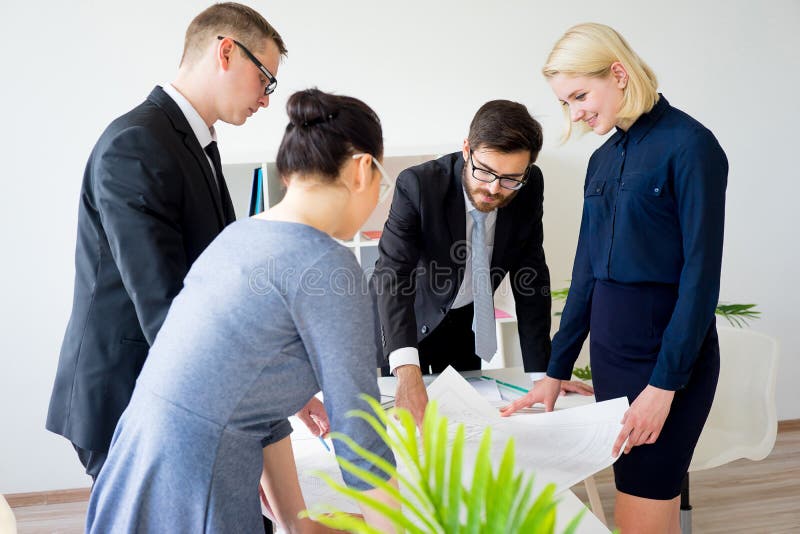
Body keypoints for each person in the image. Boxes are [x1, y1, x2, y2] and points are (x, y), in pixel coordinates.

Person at [85, 88, 400, 533]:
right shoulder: (328, 264)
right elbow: (359, 433)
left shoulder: (240, 237)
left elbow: (247, 401)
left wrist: (297, 522)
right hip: (198, 483)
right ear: (364, 170)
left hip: (137, 462)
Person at [46, 3, 289, 480]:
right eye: (265, 80)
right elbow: (163, 305)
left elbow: (216, 279)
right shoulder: (136, 144)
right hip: (126, 395)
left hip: (164, 386)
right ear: (225, 52)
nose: (266, 100)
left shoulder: (192, 141)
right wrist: (249, 405)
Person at [501, 23, 728, 533]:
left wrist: (662, 387)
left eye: (580, 94)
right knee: (646, 511)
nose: (575, 111)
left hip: (664, 367)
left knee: (640, 514)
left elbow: (700, 279)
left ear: (619, 74)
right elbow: (585, 275)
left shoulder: (691, 147)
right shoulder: (601, 161)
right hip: (612, 362)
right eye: (565, 102)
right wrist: (555, 371)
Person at [372, 100, 592, 427]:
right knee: (402, 431)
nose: (493, 189)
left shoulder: (529, 188)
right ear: (466, 149)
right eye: (485, 172)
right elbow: (393, 275)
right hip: (404, 320)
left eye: (509, 179)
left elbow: (530, 279)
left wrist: (544, 374)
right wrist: (406, 371)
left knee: (464, 429)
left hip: (463, 323)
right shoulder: (418, 185)